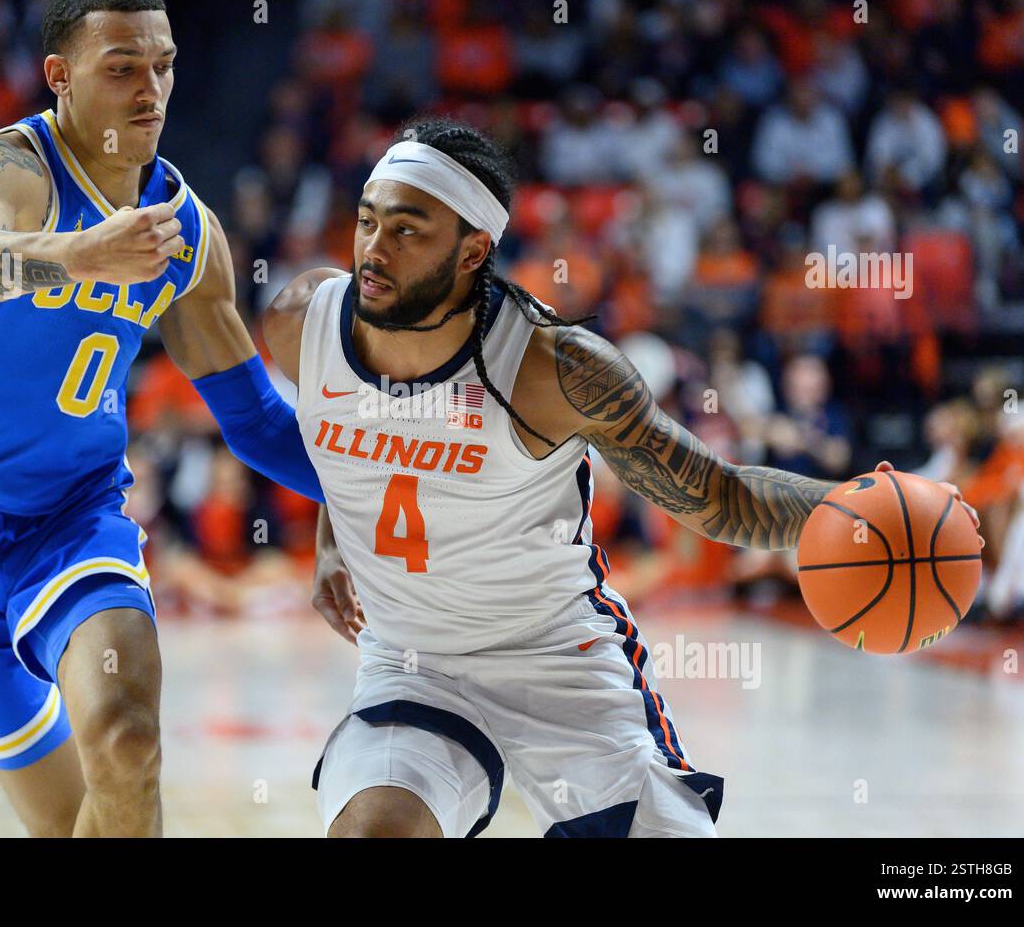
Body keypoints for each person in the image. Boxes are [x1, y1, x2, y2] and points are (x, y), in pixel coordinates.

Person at [186, 116, 981, 837]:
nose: (373, 250)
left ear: (473, 251)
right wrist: (335, 535)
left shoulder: (553, 368)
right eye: (366, 221)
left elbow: (719, 495)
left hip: (557, 656)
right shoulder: (303, 321)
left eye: (406, 229)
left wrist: (865, 514)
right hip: (412, 662)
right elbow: (341, 439)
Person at [0, 0, 320, 837]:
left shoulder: (190, 235)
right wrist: (75, 254)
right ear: (59, 76)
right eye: (122, 68)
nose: (150, 91)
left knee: (128, 739)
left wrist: (371, 487)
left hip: (72, 519)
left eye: (165, 66)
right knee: (67, 821)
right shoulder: (8, 166)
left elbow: (254, 418)